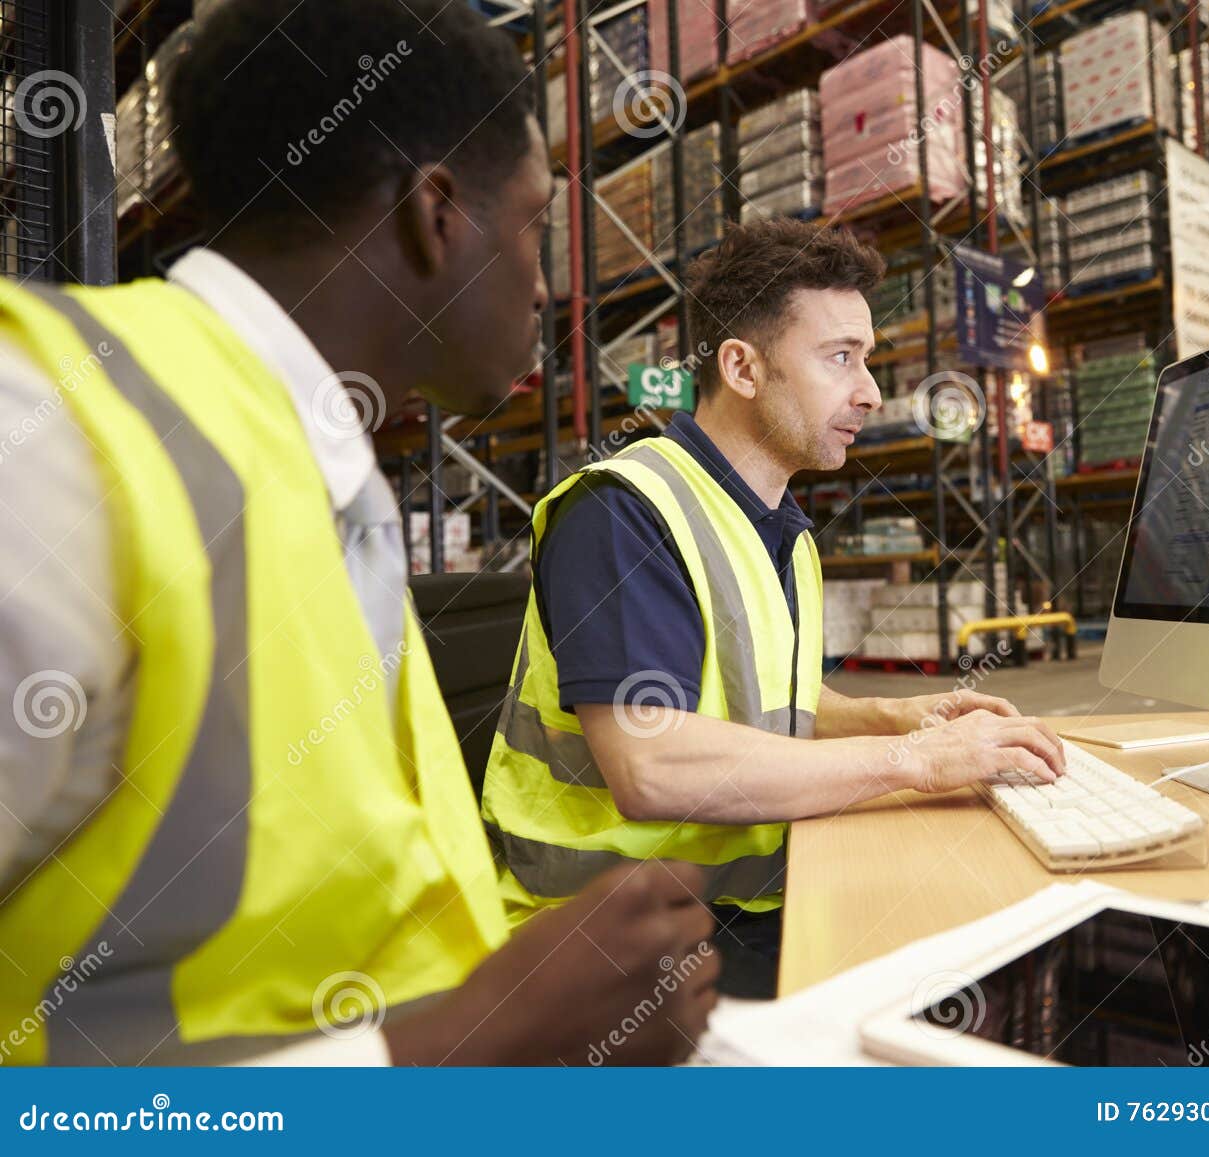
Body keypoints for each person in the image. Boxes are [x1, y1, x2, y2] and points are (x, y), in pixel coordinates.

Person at [0, 0, 716, 1066]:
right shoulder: (44, 437)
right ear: (437, 214)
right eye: (533, 225)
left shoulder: (327, 474)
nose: (543, 283)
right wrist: (462, 1041)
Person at [480, 219, 1066, 994]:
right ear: (743, 368)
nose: (871, 391)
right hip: (602, 938)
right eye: (839, 359)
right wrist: (912, 763)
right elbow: (649, 764)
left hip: (733, 904)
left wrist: (905, 718)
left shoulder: (780, 530)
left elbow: (773, 703)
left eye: (868, 358)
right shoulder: (624, 511)